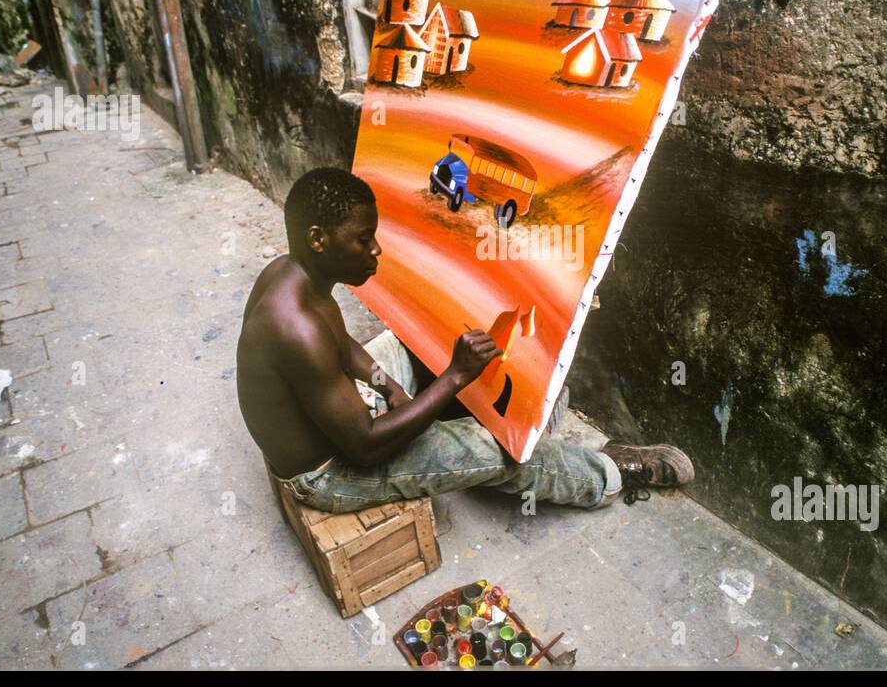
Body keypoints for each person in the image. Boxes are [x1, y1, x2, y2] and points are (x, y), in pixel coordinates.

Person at [236, 166, 693, 515]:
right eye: (363, 239)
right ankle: (610, 474)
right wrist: (454, 377)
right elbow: (365, 447)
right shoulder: (297, 329)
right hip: (329, 474)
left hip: (336, 419)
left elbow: (340, 343)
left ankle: (463, 419)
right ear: (318, 239)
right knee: (497, 447)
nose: (375, 250)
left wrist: (390, 387)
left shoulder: (289, 273)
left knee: (409, 345)